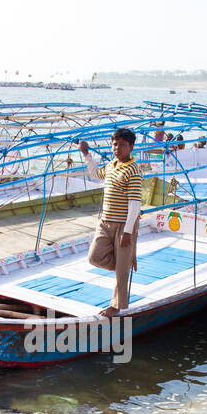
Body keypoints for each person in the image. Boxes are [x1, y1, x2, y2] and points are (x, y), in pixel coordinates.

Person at [78, 128, 143, 318]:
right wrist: (86, 154)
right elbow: (95, 174)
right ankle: (125, 263)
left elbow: (135, 203)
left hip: (124, 224)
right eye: (115, 144)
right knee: (94, 257)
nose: (118, 148)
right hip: (106, 221)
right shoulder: (111, 165)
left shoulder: (133, 170)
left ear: (131, 147)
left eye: (122, 145)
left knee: (121, 270)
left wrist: (128, 232)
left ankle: (116, 306)